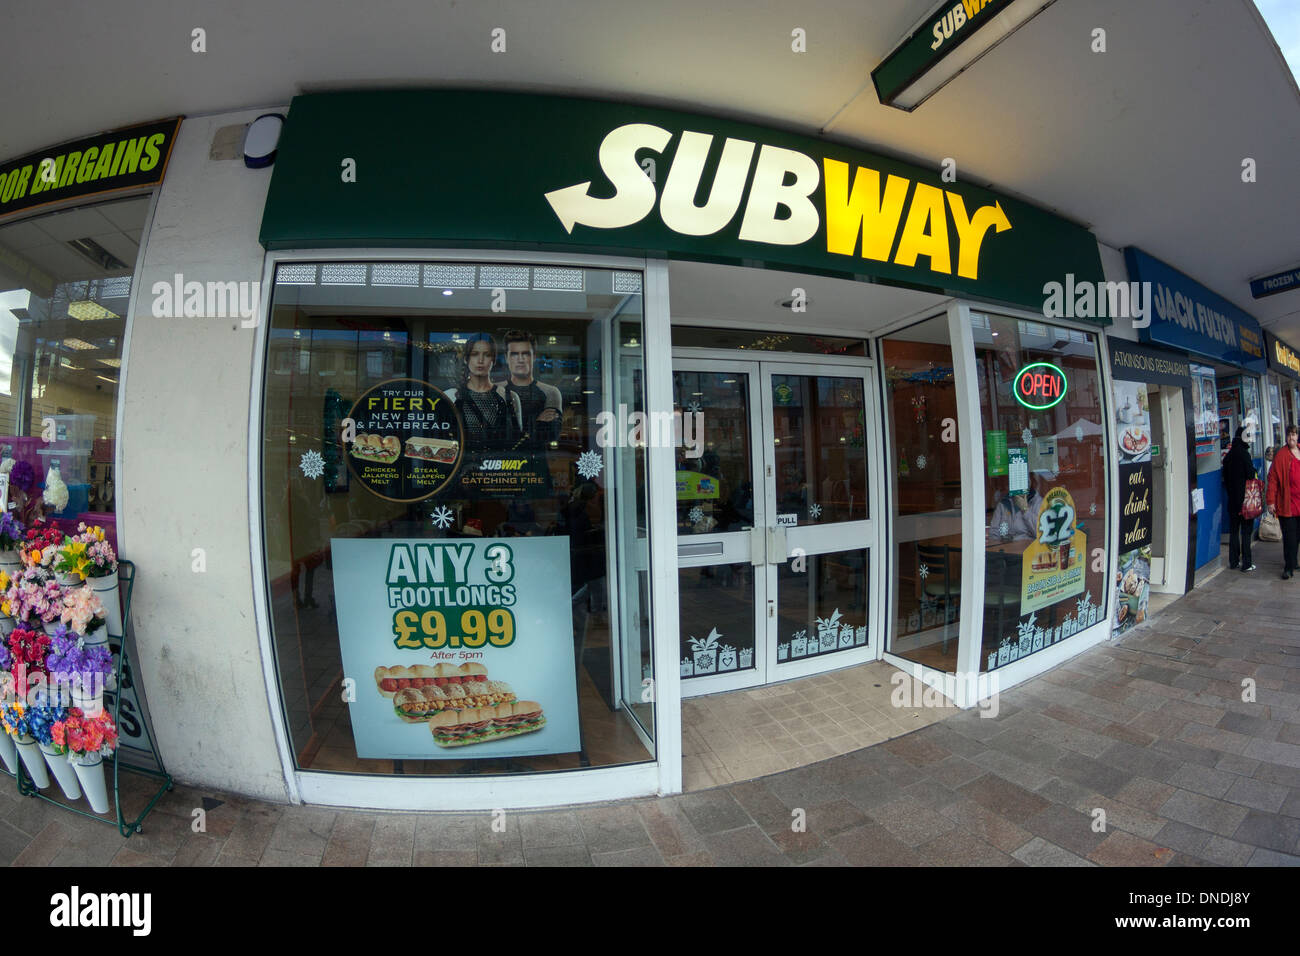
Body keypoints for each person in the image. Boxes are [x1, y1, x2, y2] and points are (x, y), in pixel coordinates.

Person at [445, 333, 522, 453]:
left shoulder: (509, 396)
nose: (480, 360)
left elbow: (517, 440)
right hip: (463, 464)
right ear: (466, 359)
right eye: (475, 354)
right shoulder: (451, 396)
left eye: (486, 355)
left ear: (493, 360)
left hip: (499, 466)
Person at [503, 331, 563, 454]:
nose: (520, 359)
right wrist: (536, 423)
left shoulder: (550, 392)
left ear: (534, 356)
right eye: (514, 354)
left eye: (525, 354)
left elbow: (551, 434)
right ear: (506, 358)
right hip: (502, 463)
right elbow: (494, 435)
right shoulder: (496, 391)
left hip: (536, 462)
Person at [1265, 424, 1300, 579]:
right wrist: (1271, 501)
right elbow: (1272, 479)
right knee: (1290, 537)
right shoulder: (1281, 455)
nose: (1291, 437)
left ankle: (1294, 561)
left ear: (1297, 436)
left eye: (1294, 434)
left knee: (1298, 536)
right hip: (1288, 504)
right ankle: (1288, 567)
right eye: (1289, 435)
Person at [1221, 426, 1257, 572]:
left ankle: (1234, 561)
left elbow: (1226, 478)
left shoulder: (1228, 456)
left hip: (1232, 501)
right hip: (1245, 501)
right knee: (1246, 532)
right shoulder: (1244, 454)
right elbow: (1250, 474)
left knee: (1234, 531)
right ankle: (1246, 563)